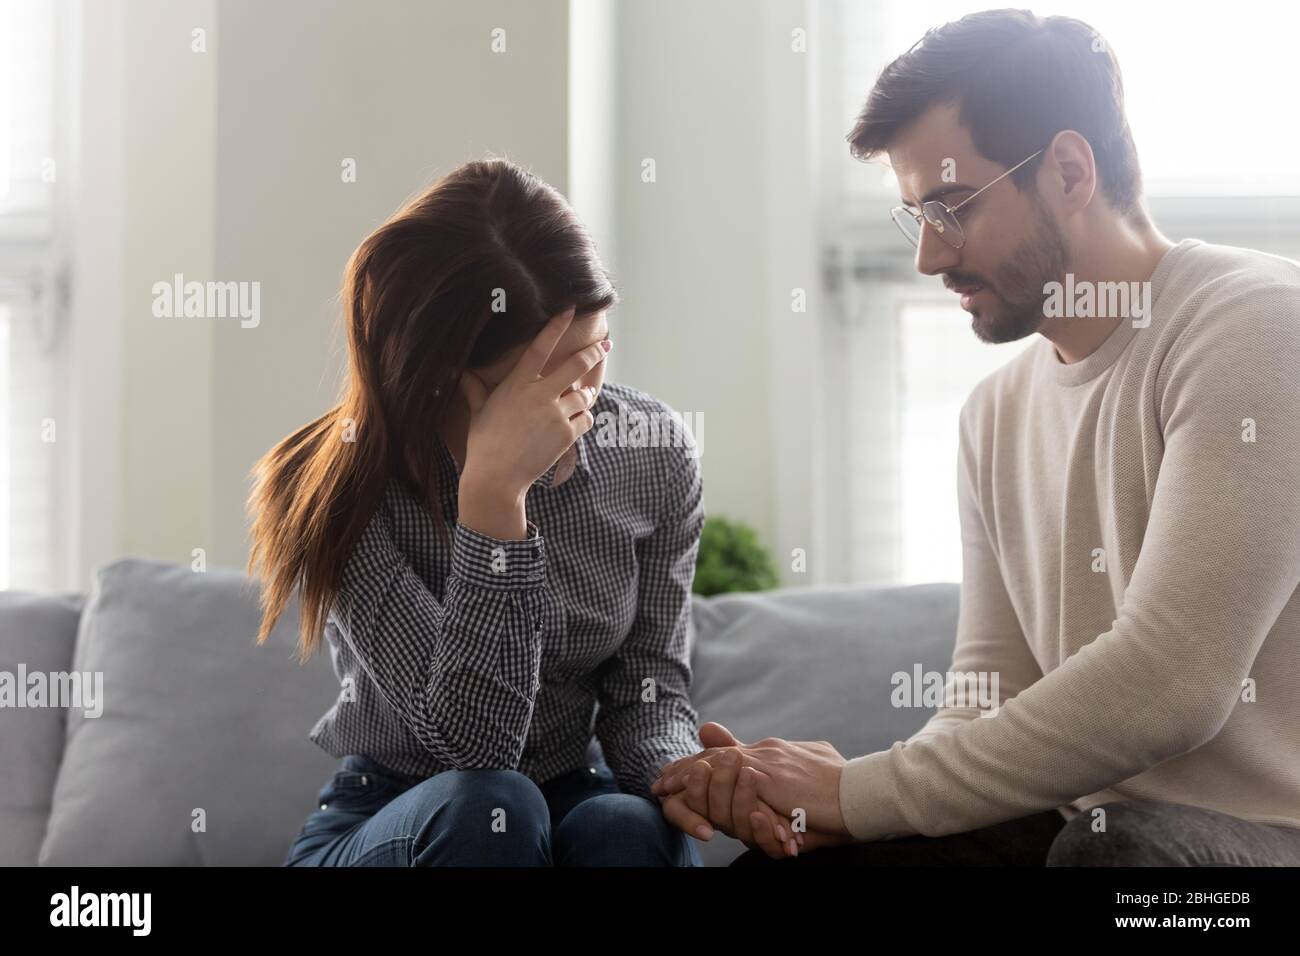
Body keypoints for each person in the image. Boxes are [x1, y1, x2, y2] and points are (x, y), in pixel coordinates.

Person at [654, 9, 1300, 867]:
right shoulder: (994, 413)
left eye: (952, 207)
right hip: (1082, 825)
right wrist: (817, 808)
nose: (929, 256)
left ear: (1069, 170)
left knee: (1118, 858)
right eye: (917, 215)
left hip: (1259, 844)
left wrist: (856, 791)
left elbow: (1173, 683)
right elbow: (986, 692)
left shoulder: (1255, 329)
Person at [247, 158, 766, 865]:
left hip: (574, 789)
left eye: (593, 352)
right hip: (402, 811)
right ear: (442, 374)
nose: (580, 395)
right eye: (539, 381)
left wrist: (681, 772)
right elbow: (476, 748)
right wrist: (493, 501)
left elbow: (646, 688)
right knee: (492, 804)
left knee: (628, 825)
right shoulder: (337, 482)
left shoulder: (650, 452)